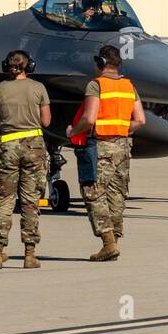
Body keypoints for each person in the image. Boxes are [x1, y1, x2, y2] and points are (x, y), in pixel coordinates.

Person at [66, 44, 145, 261]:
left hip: (100, 146)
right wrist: (120, 130)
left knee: (93, 192)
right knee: (117, 194)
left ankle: (108, 243)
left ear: (101, 63)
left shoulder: (96, 85)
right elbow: (140, 120)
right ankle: (113, 244)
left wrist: (73, 130)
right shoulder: (129, 86)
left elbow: (89, 118)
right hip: (123, 147)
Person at [0, 50, 52, 269]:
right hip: (33, 146)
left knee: (5, 199)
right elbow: (46, 121)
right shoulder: (38, 88)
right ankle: (29, 254)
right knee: (30, 201)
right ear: (29, 66)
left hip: (7, 146)